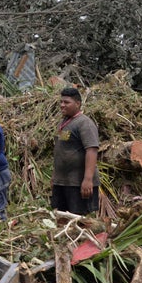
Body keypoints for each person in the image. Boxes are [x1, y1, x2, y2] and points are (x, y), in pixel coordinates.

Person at [52, 87, 100, 215]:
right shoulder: (64, 122)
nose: (62, 105)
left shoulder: (84, 123)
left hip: (78, 183)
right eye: (61, 102)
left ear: (77, 103)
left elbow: (92, 150)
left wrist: (88, 179)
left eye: (66, 102)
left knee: (79, 221)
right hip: (63, 182)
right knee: (61, 219)